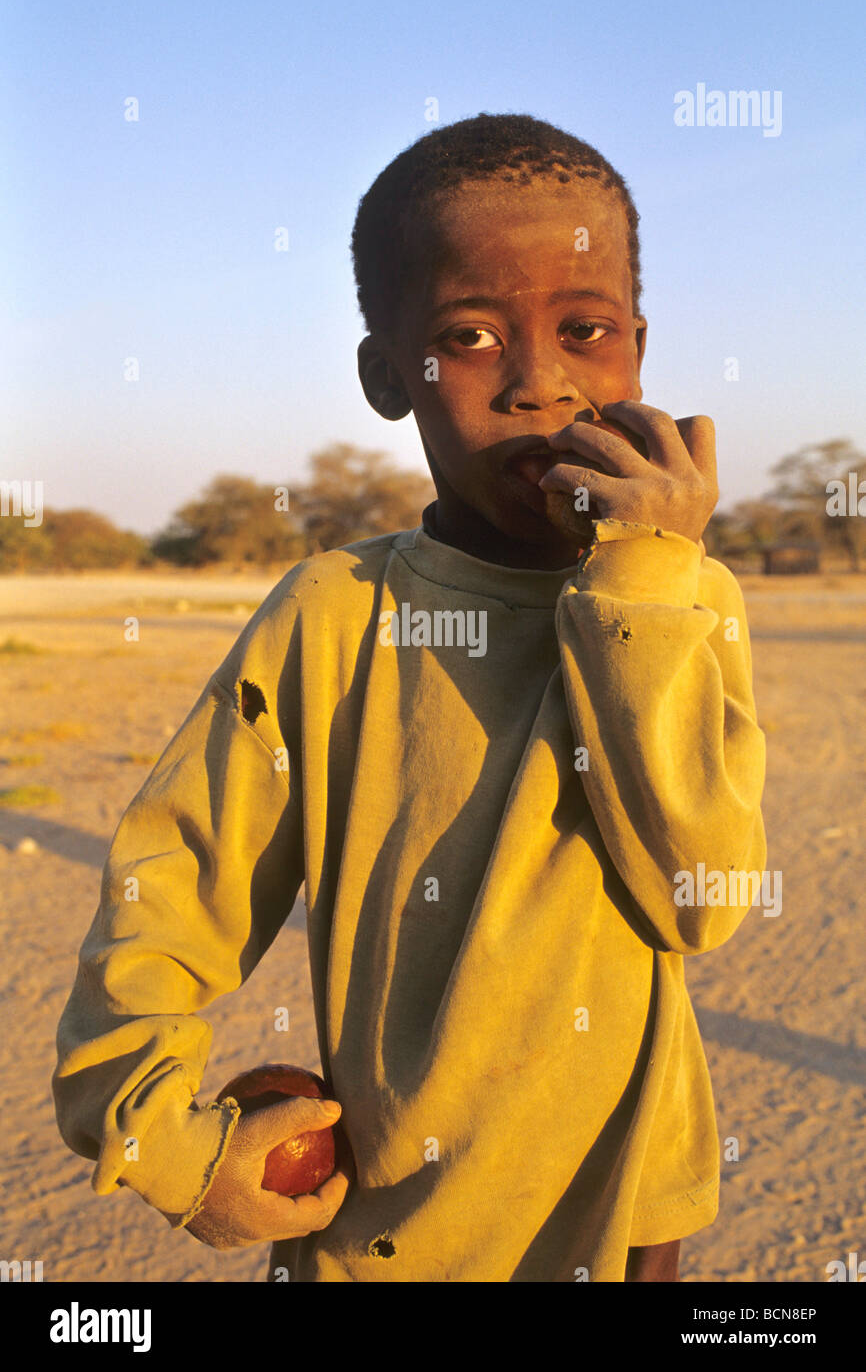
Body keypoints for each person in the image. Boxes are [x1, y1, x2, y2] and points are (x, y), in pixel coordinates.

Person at [53, 113, 766, 1282]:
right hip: (385, 1233)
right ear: (391, 375)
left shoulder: (688, 598)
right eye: (471, 336)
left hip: (630, 1224)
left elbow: (700, 898)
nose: (541, 382)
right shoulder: (333, 614)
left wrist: (641, 581)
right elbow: (171, 885)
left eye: (584, 331)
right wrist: (163, 1138)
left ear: (636, 349)